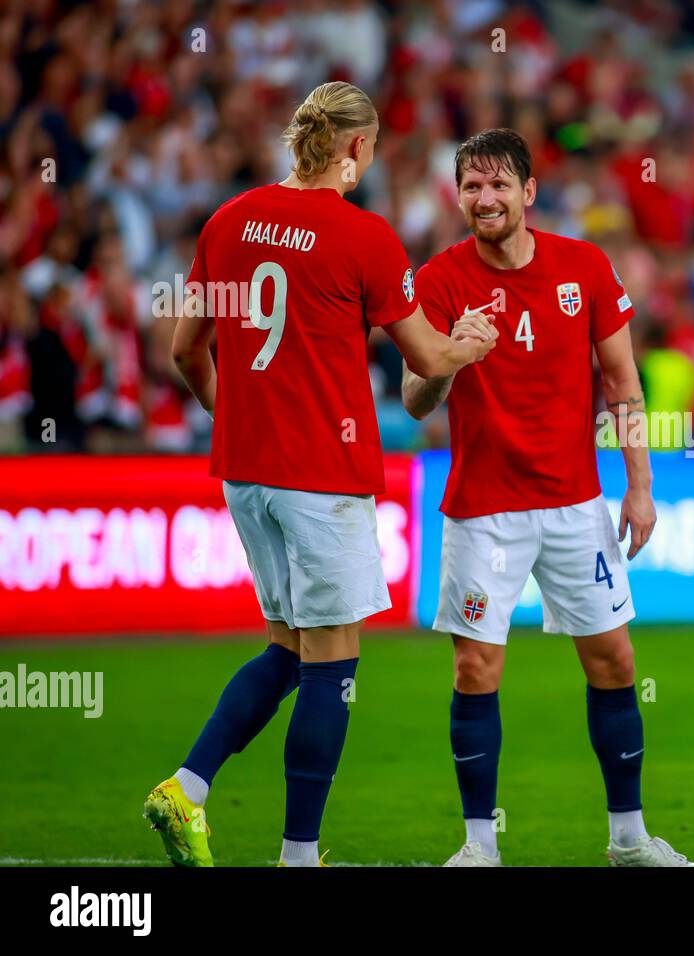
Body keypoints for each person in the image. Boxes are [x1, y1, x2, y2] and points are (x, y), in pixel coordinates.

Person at [143, 82, 497, 867]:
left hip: (248, 473)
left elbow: (183, 351)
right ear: (358, 150)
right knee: (334, 660)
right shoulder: (363, 236)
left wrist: (234, 418)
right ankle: (298, 856)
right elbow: (429, 359)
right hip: (321, 473)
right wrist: (472, 338)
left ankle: (188, 788)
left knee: (291, 649)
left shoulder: (228, 222)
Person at [403, 128, 694, 867]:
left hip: (574, 504)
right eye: (472, 186)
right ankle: (478, 847)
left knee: (614, 660)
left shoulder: (584, 266)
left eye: (499, 185)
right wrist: (449, 360)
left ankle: (629, 839)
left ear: (529, 193)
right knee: (476, 670)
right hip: (483, 509)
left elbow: (623, 384)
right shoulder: (439, 280)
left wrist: (640, 486)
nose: (485, 198)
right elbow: (413, 399)